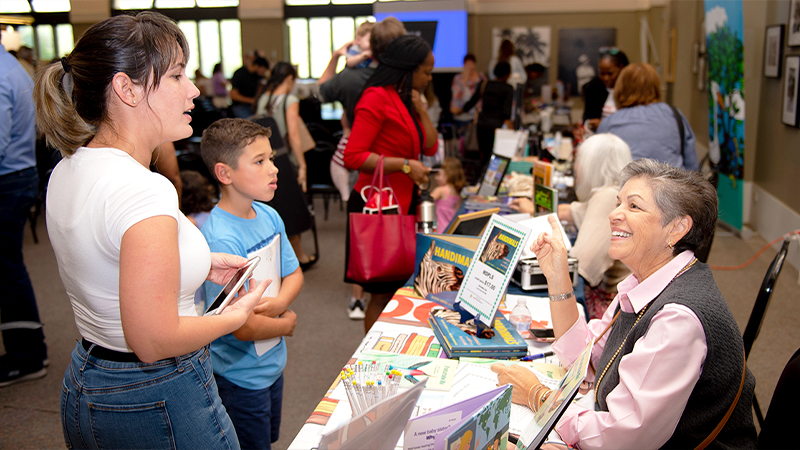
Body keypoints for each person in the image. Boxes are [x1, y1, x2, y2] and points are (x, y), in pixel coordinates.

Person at [35, 12, 268, 448]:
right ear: (127, 88)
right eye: (177, 74)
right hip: (157, 393)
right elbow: (153, 339)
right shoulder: (144, 189)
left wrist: (195, 262)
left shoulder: (69, 168)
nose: (194, 89)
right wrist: (233, 317)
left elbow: (105, 257)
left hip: (88, 379)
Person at [492, 159, 757, 450]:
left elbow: (621, 438)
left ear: (676, 229)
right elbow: (588, 362)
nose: (614, 214)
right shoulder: (646, 282)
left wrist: (535, 394)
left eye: (633, 206)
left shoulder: (677, 319)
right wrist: (558, 279)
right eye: (618, 203)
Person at [200, 118, 301, 450]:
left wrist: (278, 305)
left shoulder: (269, 216)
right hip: (240, 378)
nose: (273, 169)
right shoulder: (221, 238)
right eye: (259, 161)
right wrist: (285, 324)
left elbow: (295, 274)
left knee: (265, 440)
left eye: (270, 158)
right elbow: (240, 328)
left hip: (271, 365)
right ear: (225, 174)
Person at [343, 35, 438, 332]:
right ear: (408, 69)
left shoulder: (404, 98)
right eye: (426, 71)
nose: (429, 77)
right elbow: (353, 156)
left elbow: (431, 147)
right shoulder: (376, 97)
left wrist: (421, 109)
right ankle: (374, 357)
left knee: (400, 289)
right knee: (382, 294)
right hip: (379, 207)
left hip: (404, 205)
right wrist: (405, 165)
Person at [318, 17, 407, 320]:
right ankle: (371, 291)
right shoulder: (396, 83)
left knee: (361, 230)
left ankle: (359, 295)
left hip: (358, 157)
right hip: (385, 163)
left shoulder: (350, 77)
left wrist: (335, 57)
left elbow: (321, 90)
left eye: (362, 38)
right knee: (381, 230)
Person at [510, 134, 632, 319]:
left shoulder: (607, 197)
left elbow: (581, 264)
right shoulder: (616, 192)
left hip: (612, 304)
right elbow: (572, 211)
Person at [0, 40, 48, 387]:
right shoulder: (11, 66)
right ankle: (28, 352)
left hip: (8, 181)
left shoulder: (3, 73)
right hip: (17, 176)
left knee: (8, 271)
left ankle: (27, 355)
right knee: (9, 269)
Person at [254, 62, 317, 269]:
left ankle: (276, 257)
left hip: (262, 160)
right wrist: (303, 165)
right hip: (283, 161)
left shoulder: (262, 98)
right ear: (289, 79)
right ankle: (298, 256)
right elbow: (294, 135)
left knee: (273, 207)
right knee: (291, 208)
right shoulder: (289, 100)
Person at [597, 63, 699, 171]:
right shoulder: (674, 114)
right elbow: (692, 167)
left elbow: (600, 170)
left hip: (627, 186)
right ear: (655, 87)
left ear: (620, 88)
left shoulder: (608, 123)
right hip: (672, 185)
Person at [456, 62, 514, 170]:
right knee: (496, 156)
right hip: (497, 126)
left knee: (484, 156)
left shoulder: (485, 84)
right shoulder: (508, 88)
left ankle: (481, 178)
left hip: (482, 125)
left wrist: (461, 110)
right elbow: (507, 112)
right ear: (508, 74)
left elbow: (472, 101)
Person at [581, 48, 629, 131]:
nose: (606, 78)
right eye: (602, 73)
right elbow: (588, 117)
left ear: (621, 68)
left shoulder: (630, 90)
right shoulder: (593, 88)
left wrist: (603, 124)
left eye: (610, 74)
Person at [450, 53, 486, 135]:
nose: (470, 67)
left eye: (472, 64)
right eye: (467, 64)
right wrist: (464, 82)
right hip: (462, 113)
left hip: (478, 115)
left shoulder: (480, 77)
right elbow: (456, 98)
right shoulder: (458, 78)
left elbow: (483, 95)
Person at [431, 157, 465, 231]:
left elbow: (428, 200)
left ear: (449, 174)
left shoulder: (440, 190)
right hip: (450, 229)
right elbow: (457, 212)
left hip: (439, 229)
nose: (435, 178)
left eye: (438, 174)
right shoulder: (457, 193)